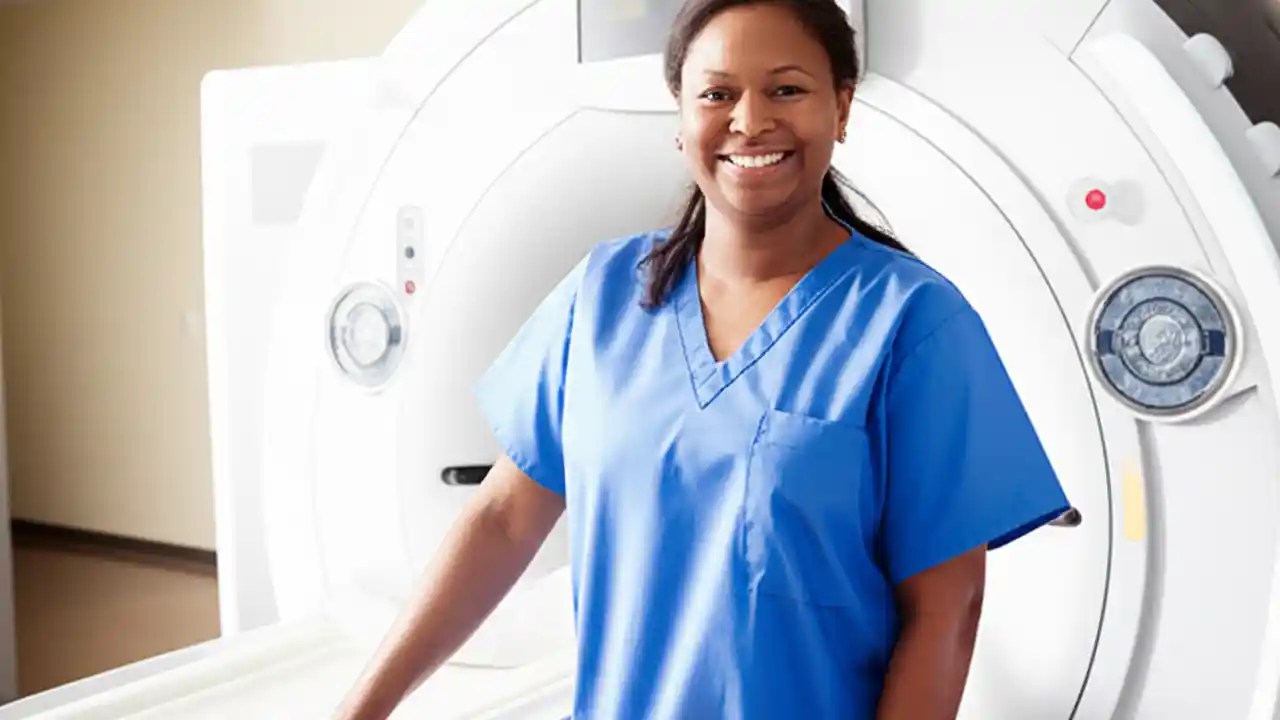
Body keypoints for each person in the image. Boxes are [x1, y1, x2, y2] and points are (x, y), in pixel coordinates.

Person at [333, 0, 1071, 717]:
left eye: (787, 89)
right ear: (681, 118)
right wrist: (362, 709)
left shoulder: (911, 323)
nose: (750, 120)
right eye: (718, 93)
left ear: (842, 108)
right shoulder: (601, 296)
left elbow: (947, 610)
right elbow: (501, 521)